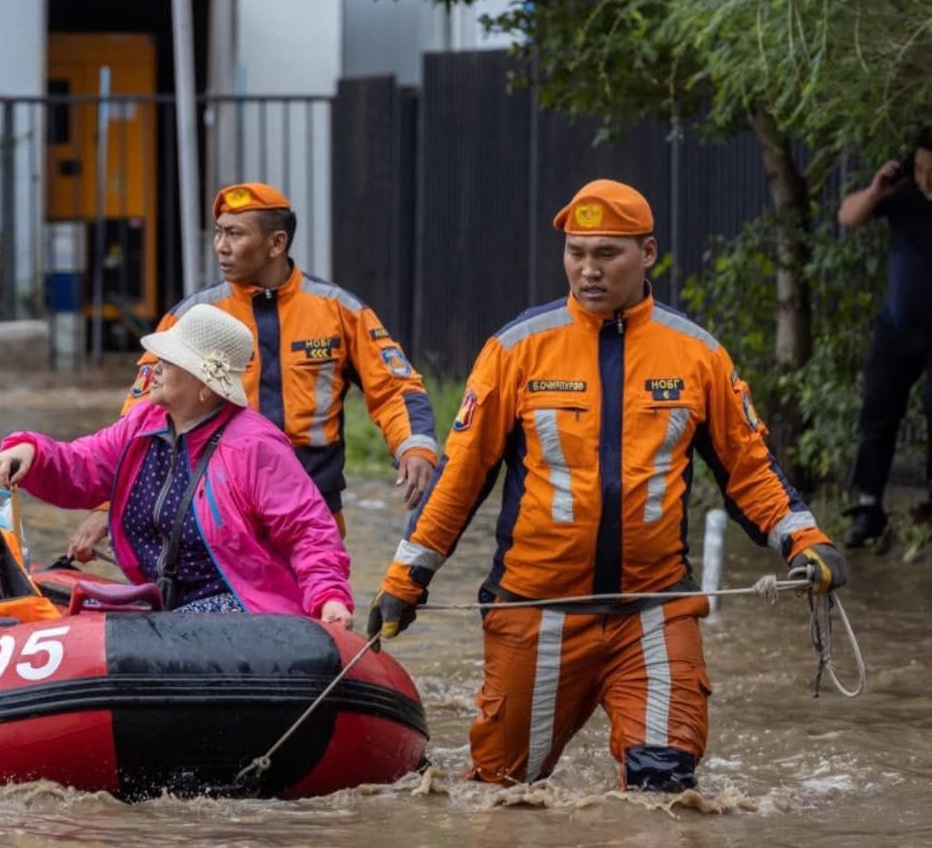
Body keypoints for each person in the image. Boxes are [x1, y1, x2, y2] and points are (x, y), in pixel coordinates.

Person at [366, 179, 849, 793]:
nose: (587, 270)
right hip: (534, 613)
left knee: (665, 798)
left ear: (647, 254)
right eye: (576, 253)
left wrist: (806, 541)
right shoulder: (515, 349)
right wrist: (405, 580)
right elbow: (459, 479)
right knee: (498, 795)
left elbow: (751, 471)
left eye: (606, 254)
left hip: (652, 611)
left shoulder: (698, 355)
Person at [65, 181, 436, 561]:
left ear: (276, 244)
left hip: (313, 513)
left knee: (318, 605)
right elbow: (143, 417)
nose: (221, 246)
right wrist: (107, 506)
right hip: (214, 514)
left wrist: (414, 446)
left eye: (235, 234)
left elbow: (394, 388)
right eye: (219, 232)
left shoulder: (338, 311)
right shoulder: (191, 318)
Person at [0, 304, 353, 624]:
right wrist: (33, 454)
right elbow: (85, 464)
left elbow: (308, 529)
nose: (154, 369)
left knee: (149, 633)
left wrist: (330, 596)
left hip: (247, 610)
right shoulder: (143, 423)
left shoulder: (255, 446)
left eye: (168, 361)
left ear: (205, 386)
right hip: (166, 605)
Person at [836, 131, 932, 548]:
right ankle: (868, 508)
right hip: (897, 326)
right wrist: (877, 189)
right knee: (876, 414)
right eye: (921, 169)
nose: (926, 179)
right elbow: (848, 216)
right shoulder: (904, 195)